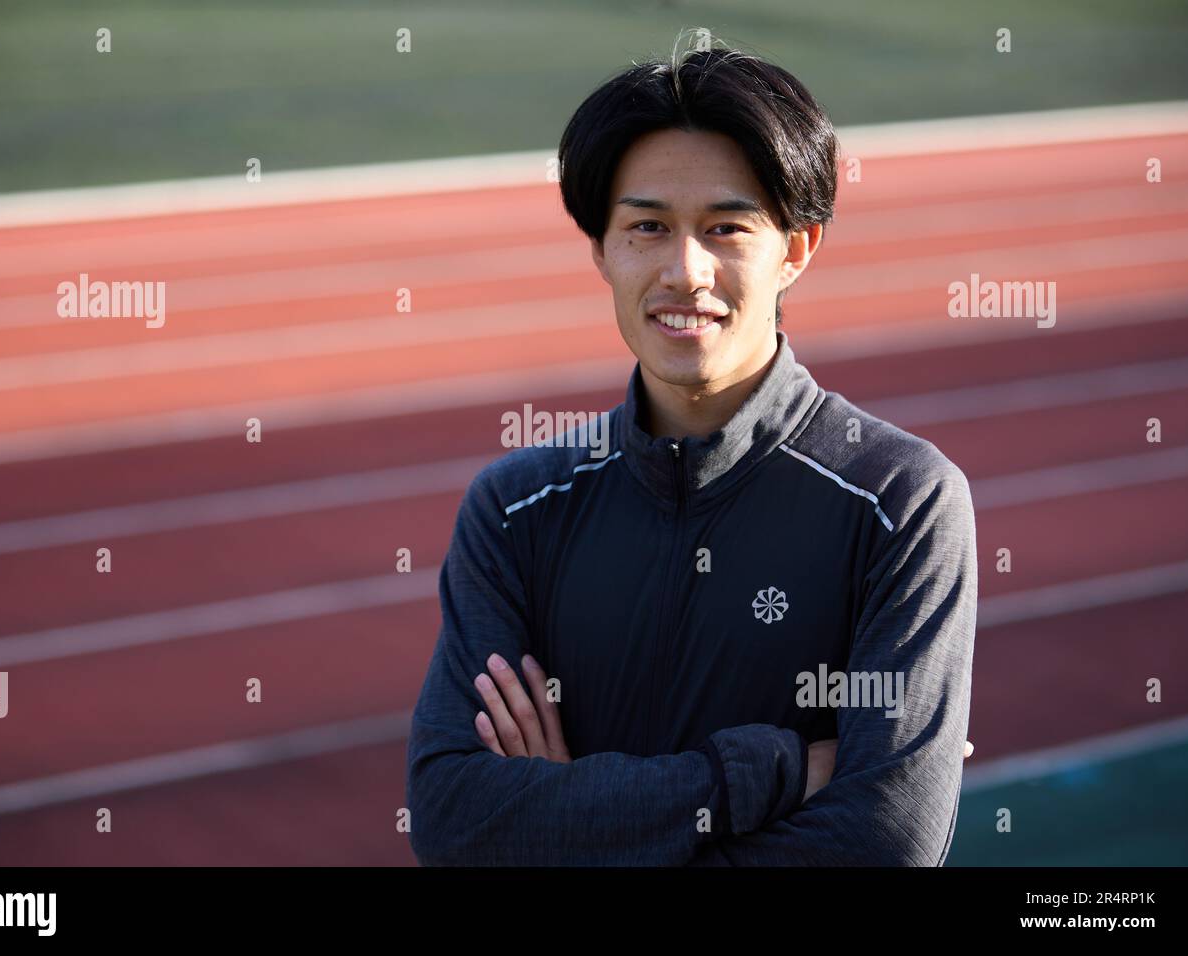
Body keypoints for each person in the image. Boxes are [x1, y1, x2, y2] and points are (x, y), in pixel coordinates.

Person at [404, 42, 978, 866]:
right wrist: (778, 768)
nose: (685, 271)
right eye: (647, 227)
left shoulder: (900, 502)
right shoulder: (515, 511)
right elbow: (457, 825)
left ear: (798, 248)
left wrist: (569, 826)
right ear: (600, 249)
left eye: (726, 228)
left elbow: (882, 845)